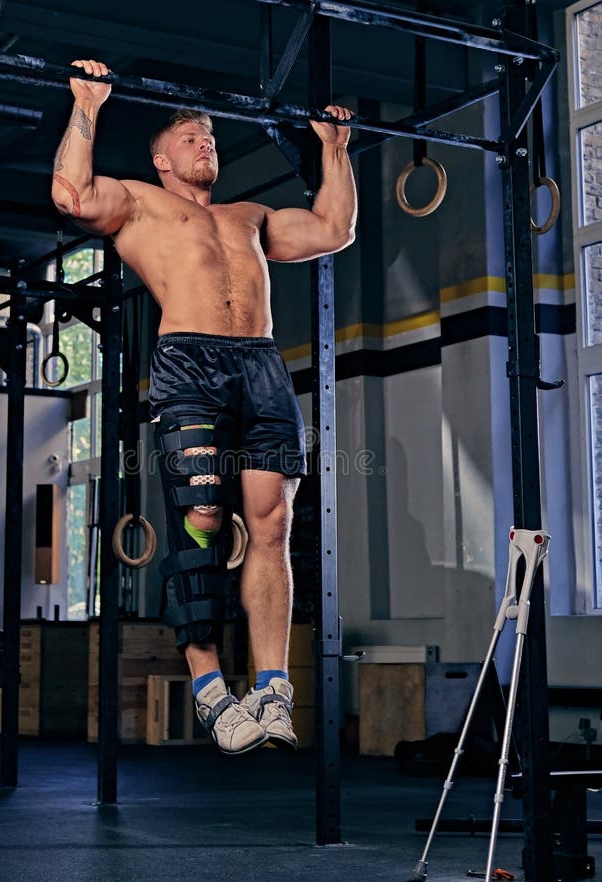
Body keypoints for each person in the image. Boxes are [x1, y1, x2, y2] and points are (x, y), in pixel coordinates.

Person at [52, 59, 357, 756]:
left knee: (272, 523)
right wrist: (88, 105)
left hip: (262, 365)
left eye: (211, 137)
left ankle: (272, 690)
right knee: (203, 516)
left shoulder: (249, 217)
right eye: (191, 136)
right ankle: (211, 689)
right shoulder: (138, 202)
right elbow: (70, 193)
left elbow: (333, 229)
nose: (205, 143)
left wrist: (334, 151)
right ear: (161, 157)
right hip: (189, 362)